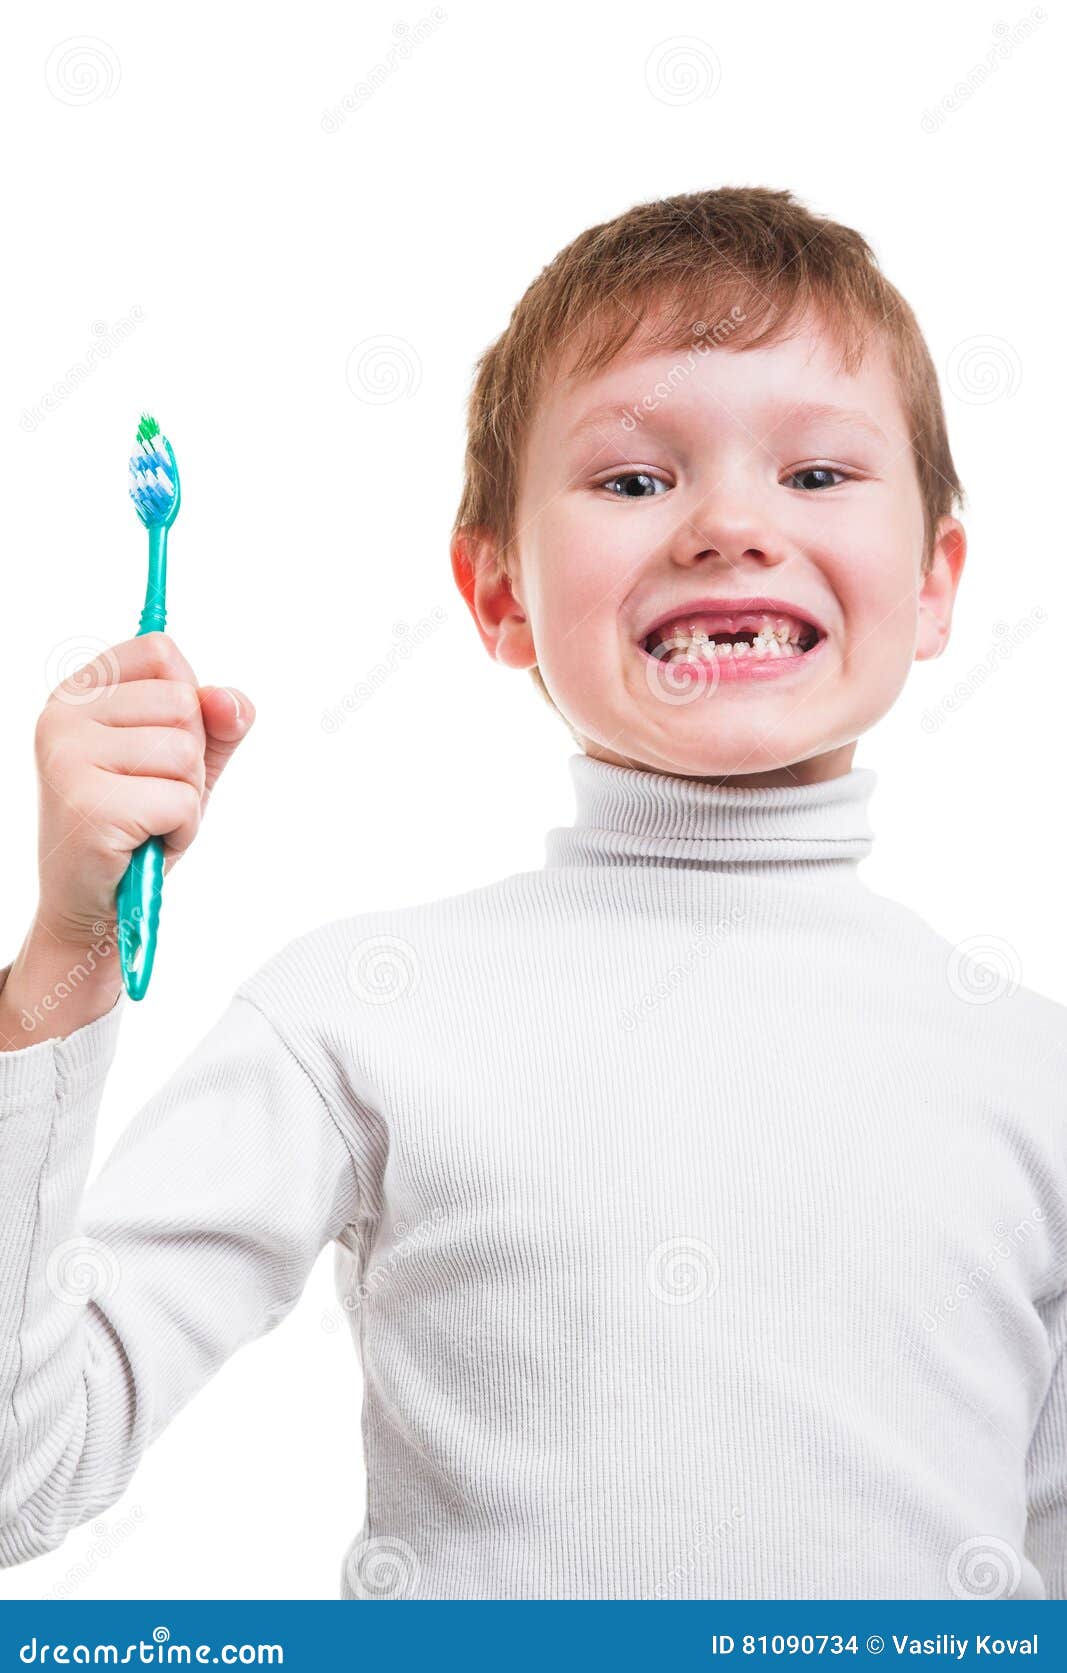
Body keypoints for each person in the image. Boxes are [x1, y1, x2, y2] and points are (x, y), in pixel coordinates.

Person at [2, 187, 1064, 1600]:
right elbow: (27, 1473)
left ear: (935, 583)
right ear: (498, 589)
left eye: (817, 475)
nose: (731, 523)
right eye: (635, 480)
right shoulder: (353, 1018)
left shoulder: (1033, 1073)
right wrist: (66, 953)